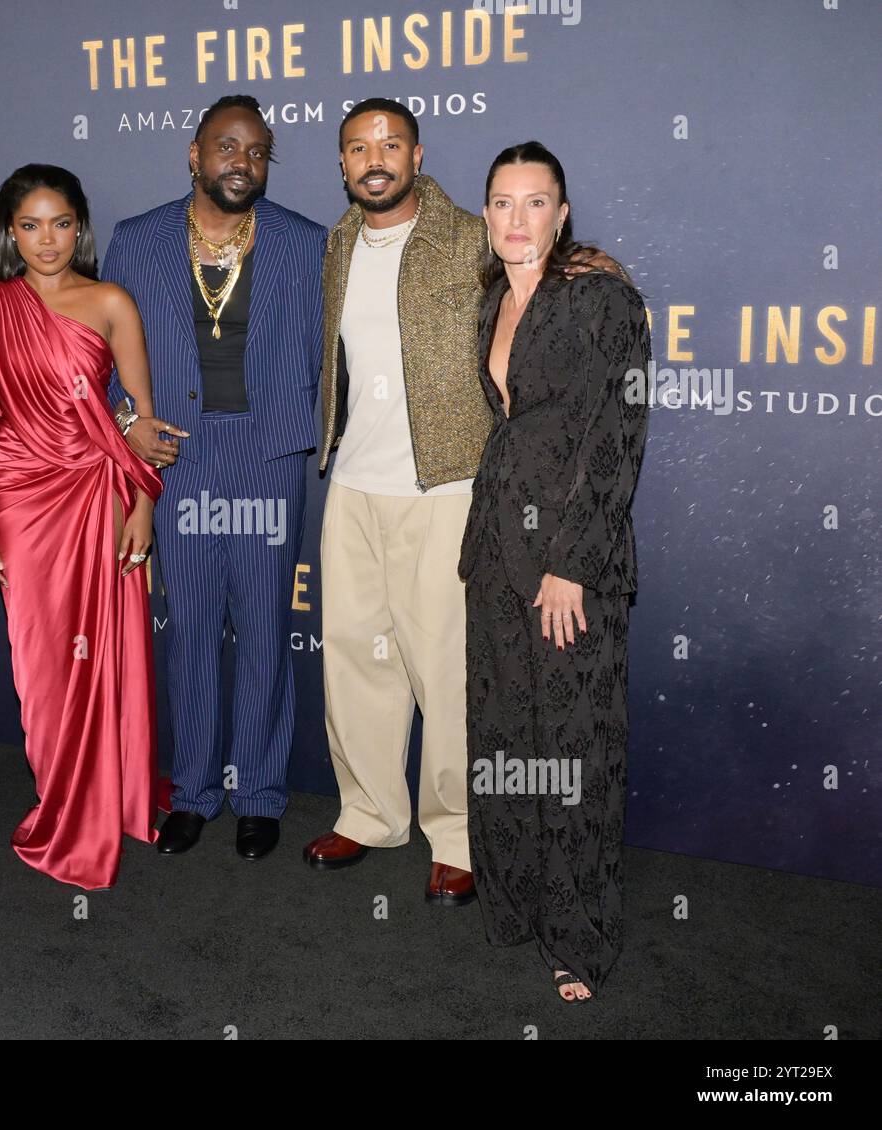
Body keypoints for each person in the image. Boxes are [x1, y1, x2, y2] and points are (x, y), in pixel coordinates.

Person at [100, 95, 326, 860]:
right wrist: (128, 418)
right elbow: (99, 350)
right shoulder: (136, 241)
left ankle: (259, 794)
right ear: (193, 156)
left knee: (265, 626)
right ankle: (192, 793)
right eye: (227, 147)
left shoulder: (306, 243)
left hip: (268, 455)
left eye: (258, 151)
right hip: (180, 454)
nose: (242, 162)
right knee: (191, 629)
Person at [458, 141, 651, 1001]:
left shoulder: (603, 300)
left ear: (564, 213)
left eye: (536, 203)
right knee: (504, 735)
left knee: (571, 747)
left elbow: (617, 441)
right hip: (498, 545)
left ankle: (579, 935)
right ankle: (513, 903)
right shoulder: (493, 298)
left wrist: (572, 564)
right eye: (502, 202)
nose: (517, 220)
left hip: (571, 556)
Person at [304, 99, 487, 905]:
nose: (373, 159)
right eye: (356, 147)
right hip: (351, 483)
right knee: (354, 659)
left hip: (444, 484)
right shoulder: (339, 242)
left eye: (389, 144)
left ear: (417, 154)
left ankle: (459, 837)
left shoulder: (471, 236)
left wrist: (586, 264)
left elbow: (539, 271)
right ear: (342, 163)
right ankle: (372, 812)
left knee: (445, 670)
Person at [0, 165, 162, 891]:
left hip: (98, 490)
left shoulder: (110, 300)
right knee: (42, 664)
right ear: (10, 233)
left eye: (61, 223)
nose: (47, 240)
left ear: (81, 226)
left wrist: (142, 506)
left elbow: (139, 418)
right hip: (17, 496)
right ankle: (63, 800)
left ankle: (108, 796)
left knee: (101, 654)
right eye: (30, 225)